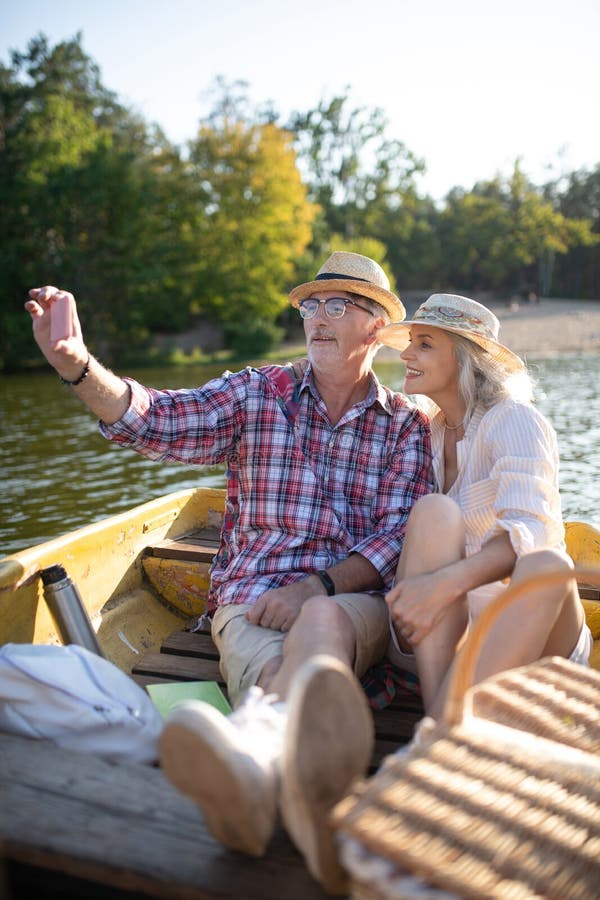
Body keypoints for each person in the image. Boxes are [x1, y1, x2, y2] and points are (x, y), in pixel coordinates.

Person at [25, 251, 432, 894]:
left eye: (339, 306)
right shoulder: (255, 393)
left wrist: (316, 587)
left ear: (376, 328)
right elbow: (155, 421)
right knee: (282, 667)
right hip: (254, 602)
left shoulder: (407, 426)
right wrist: (77, 365)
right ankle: (299, 789)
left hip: (349, 604)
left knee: (322, 621)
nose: (317, 319)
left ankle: (256, 763)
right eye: (310, 305)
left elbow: (397, 534)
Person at [377, 293, 592, 724]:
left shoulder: (514, 421)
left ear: (465, 359)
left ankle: (439, 731)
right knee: (435, 511)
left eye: (424, 344)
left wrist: (446, 583)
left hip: (528, 631)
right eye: (410, 342)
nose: (405, 353)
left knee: (548, 564)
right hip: (436, 637)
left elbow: (529, 535)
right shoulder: (426, 428)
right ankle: (443, 723)